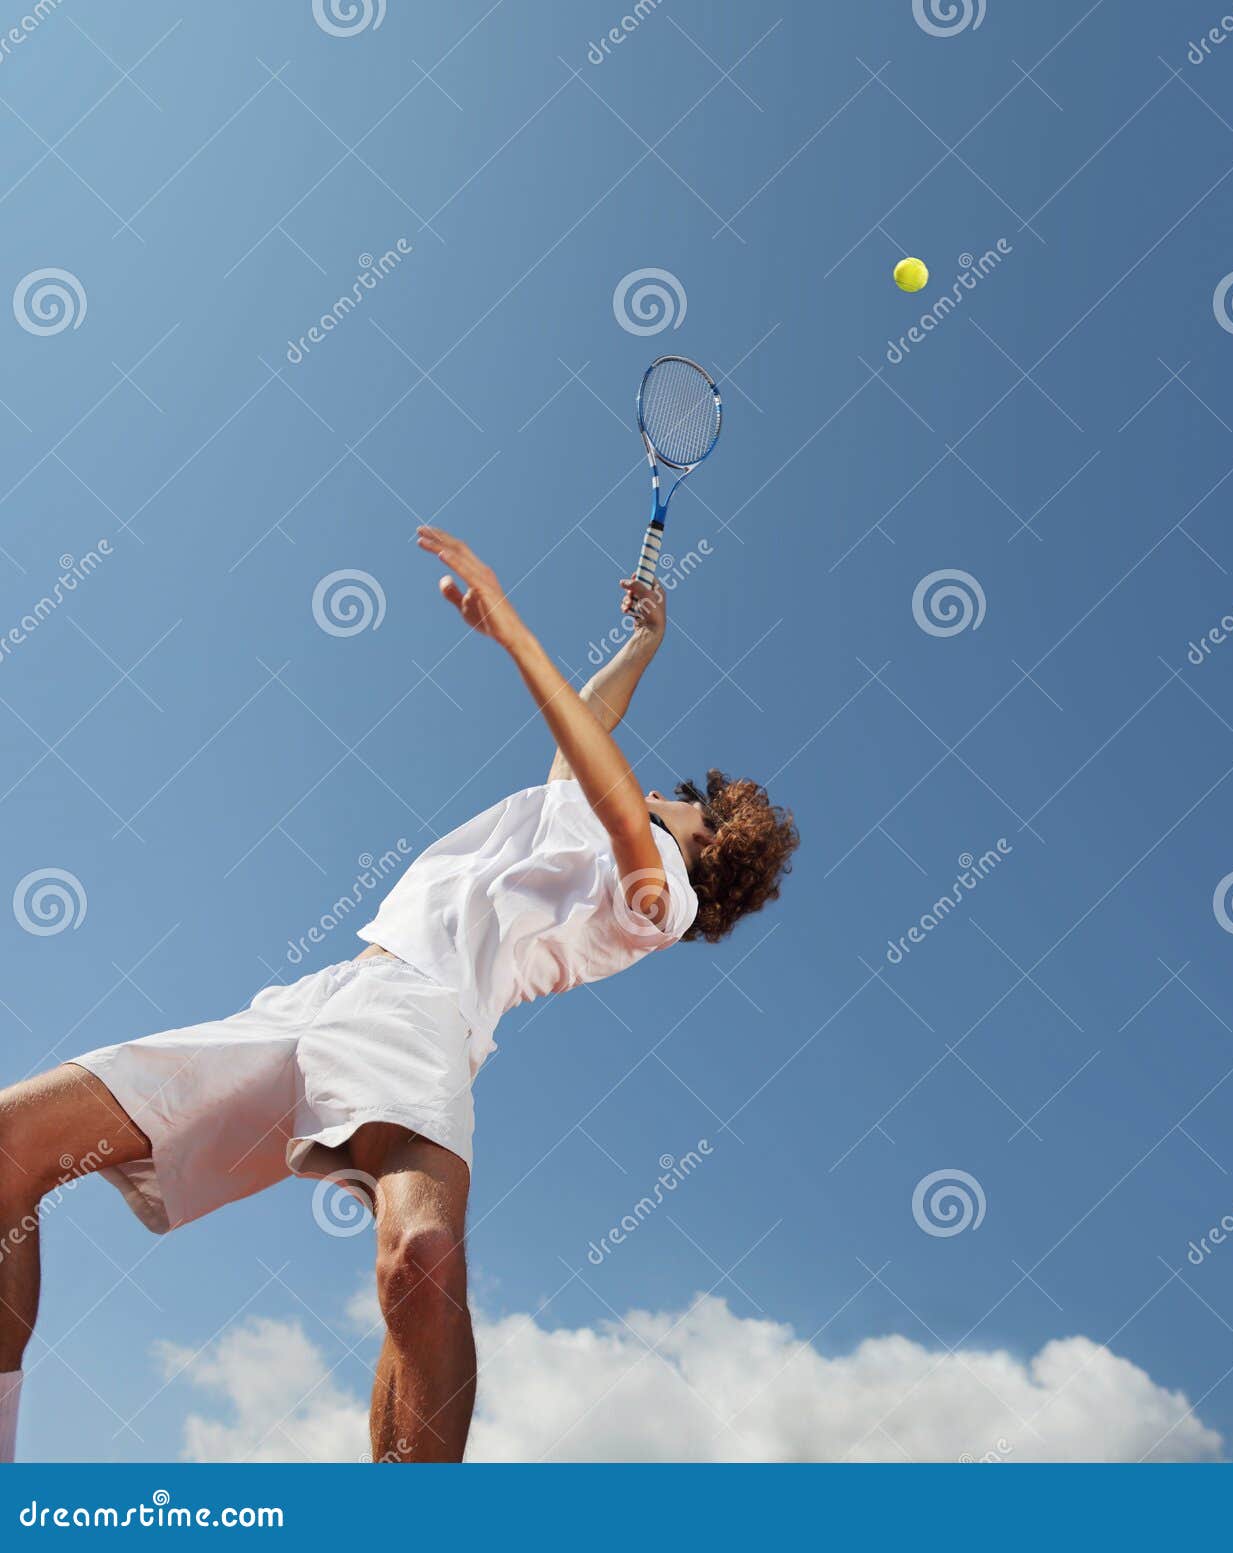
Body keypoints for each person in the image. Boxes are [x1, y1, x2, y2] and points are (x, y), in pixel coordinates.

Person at [0, 526, 798, 1463]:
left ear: (710, 845)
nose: (666, 791)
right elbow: (593, 729)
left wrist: (516, 634)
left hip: (422, 1021)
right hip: (327, 996)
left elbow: (619, 795)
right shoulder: (571, 816)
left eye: (688, 803)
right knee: (14, 1140)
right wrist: (643, 644)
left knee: (422, 1260)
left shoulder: (658, 894)